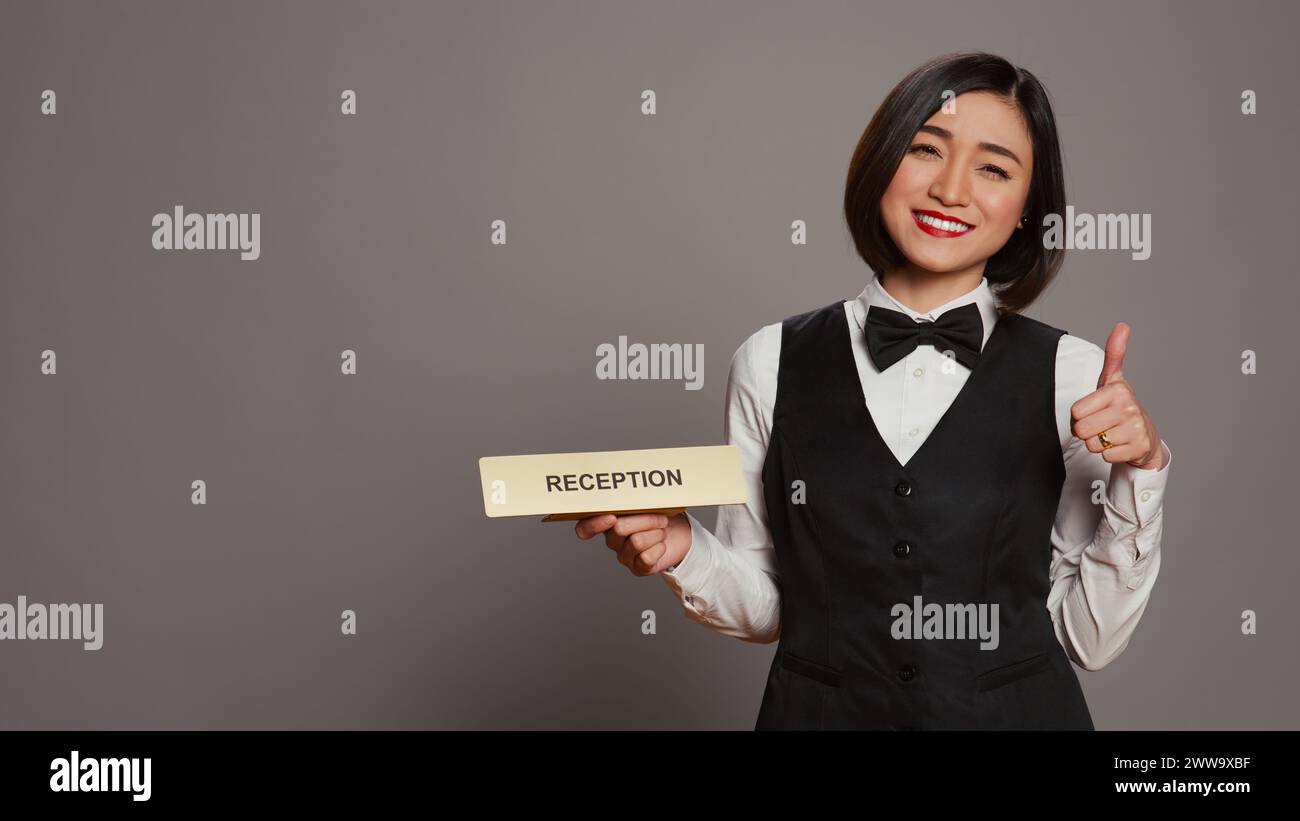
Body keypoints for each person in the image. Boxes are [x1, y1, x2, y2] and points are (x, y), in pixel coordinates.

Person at [574, 51, 1170, 730]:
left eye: (993, 168)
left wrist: (1140, 471)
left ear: (1028, 210)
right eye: (926, 149)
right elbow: (773, 604)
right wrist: (686, 549)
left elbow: (1090, 639)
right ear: (882, 162)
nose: (951, 189)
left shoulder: (1073, 373)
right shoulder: (769, 360)